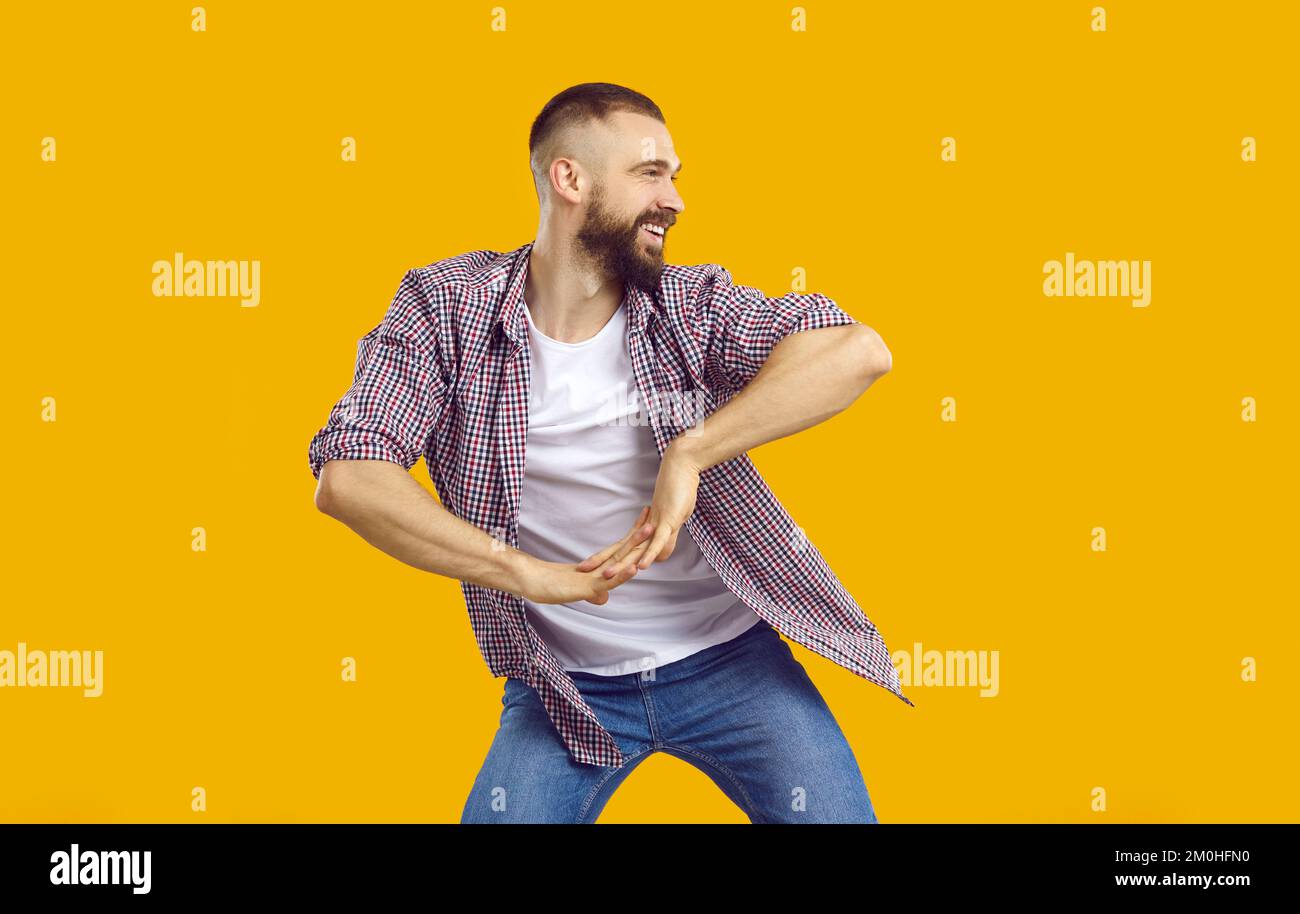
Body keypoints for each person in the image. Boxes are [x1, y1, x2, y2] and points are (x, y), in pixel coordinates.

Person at [308, 82, 912, 824]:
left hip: (733, 662)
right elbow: (349, 476)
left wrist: (690, 451)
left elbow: (858, 350)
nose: (675, 198)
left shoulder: (690, 306)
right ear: (571, 179)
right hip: (563, 688)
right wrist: (521, 572)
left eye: (675, 175)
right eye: (651, 172)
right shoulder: (445, 309)